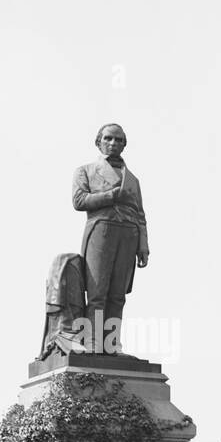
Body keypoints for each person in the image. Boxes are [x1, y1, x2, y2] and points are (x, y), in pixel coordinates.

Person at [73, 124, 149, 350]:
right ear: (99, 141)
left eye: (118, 140)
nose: (113, 143)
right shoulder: (85, 170)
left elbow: (141, 214)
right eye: (108, 138)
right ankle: (94, 342)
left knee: (118, 294)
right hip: (101, 228)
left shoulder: (133, 180)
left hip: (129, 233)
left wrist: (143, 245)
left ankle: (112, 344)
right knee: (97, 291)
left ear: (124, 144)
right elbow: (79, 201)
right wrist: (111, 195)